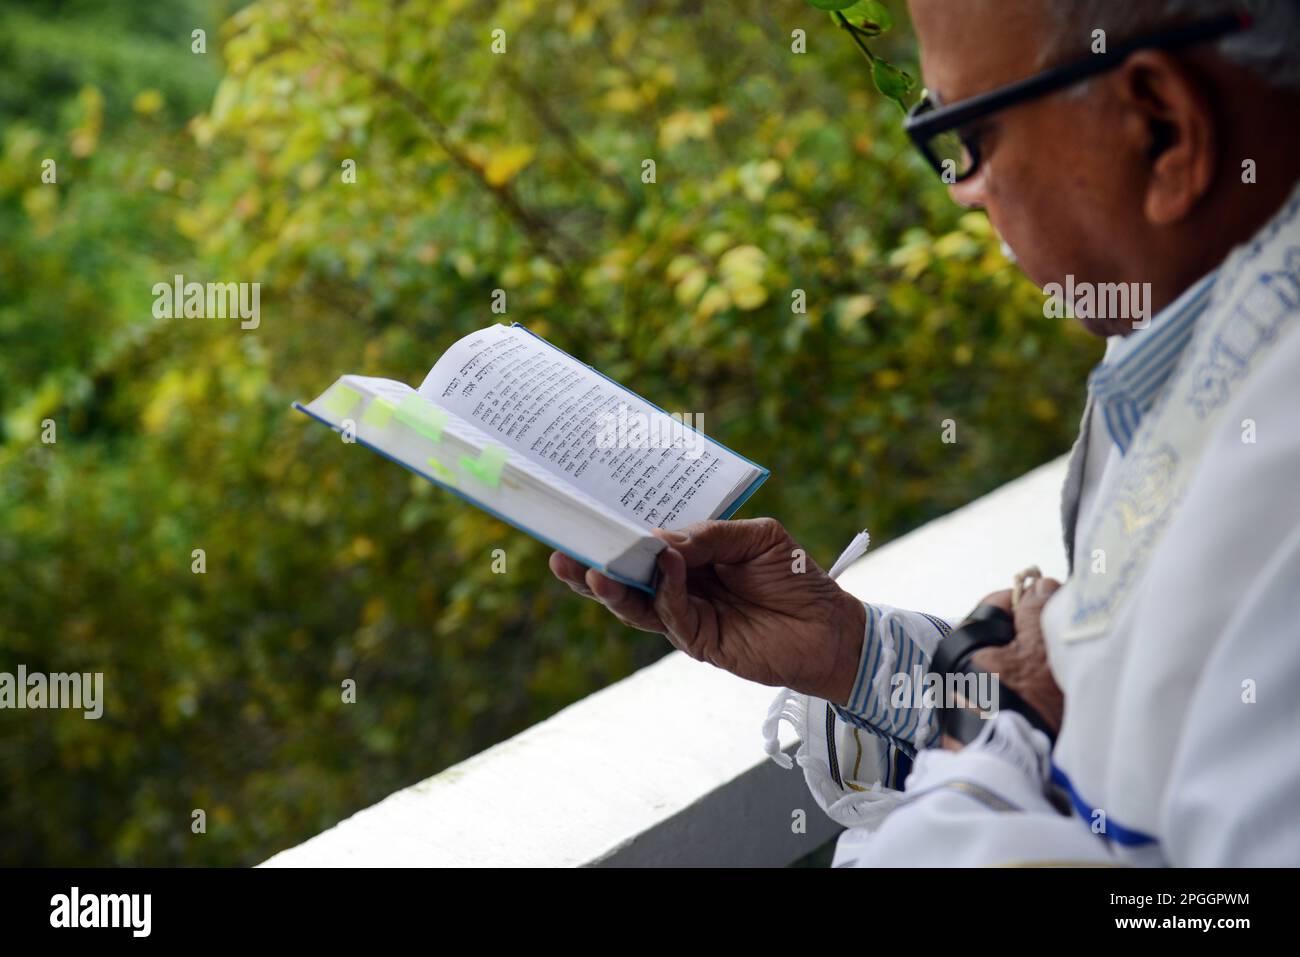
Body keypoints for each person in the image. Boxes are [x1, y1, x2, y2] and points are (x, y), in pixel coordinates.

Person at [549, 0, 1300, 866]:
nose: (961, 190)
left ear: (1162, 128)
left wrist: (986, 752)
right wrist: (856, 653)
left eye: (969, 138)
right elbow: (1121, 737)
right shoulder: (1181, 352)